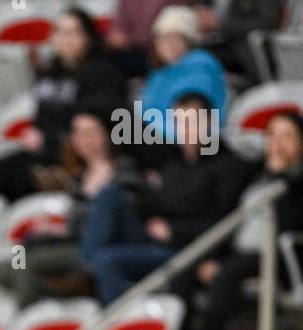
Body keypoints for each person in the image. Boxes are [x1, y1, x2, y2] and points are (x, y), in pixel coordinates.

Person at [90, 92, 250, 305]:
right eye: (181, 122)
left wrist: (174, 230)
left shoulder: (228, 166)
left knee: (108, 260)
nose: (187, 129)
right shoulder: (174, 164)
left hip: (186, 247)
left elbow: (222, 222)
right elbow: (162, 203)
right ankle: (85, 266)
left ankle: (114, 321)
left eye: (193, 121)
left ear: (210, 121)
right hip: (156, 234)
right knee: (111, 195)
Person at [183, 111, 303, 330]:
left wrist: (283, 177)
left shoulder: (297, 185)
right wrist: (212, 259)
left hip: (280, 259)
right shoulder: (252, 176)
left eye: (288, 136)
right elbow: (230, 222)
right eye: (272, 135)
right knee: (185, 270)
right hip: (239, 255)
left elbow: (291, 223)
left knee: (229, 272)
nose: (279, 144)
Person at [0, 108, 142, 305]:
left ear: (105, 134)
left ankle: (28, 314)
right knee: (9, 265)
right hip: (72, 241)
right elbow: (75, 221)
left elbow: (122, 215)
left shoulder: (123, 169)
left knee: (27, 265)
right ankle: (51, 295)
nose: (84, 139)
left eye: (90, 132)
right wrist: (54, 229)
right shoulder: (79, 177)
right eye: (78, 132)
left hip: (98, 247)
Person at [0, 9, 128, 203]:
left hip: (79, 151)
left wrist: (51, 140)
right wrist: (34, 134)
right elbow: (42, 114)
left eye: (72, 32)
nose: (65, 39)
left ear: (87, 36)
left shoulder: (103, 72)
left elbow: (100, 121)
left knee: (25, 180)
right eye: (60, 32)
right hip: (44, 149)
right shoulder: (49, 71)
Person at [138, 6, 227, 145]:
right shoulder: (159, 73)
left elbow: (191, 121)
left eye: (175, 39)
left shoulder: (201, 65)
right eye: (164, 39)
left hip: (195, 143)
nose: (169, 45)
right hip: (159, 140)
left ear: (188, 42)